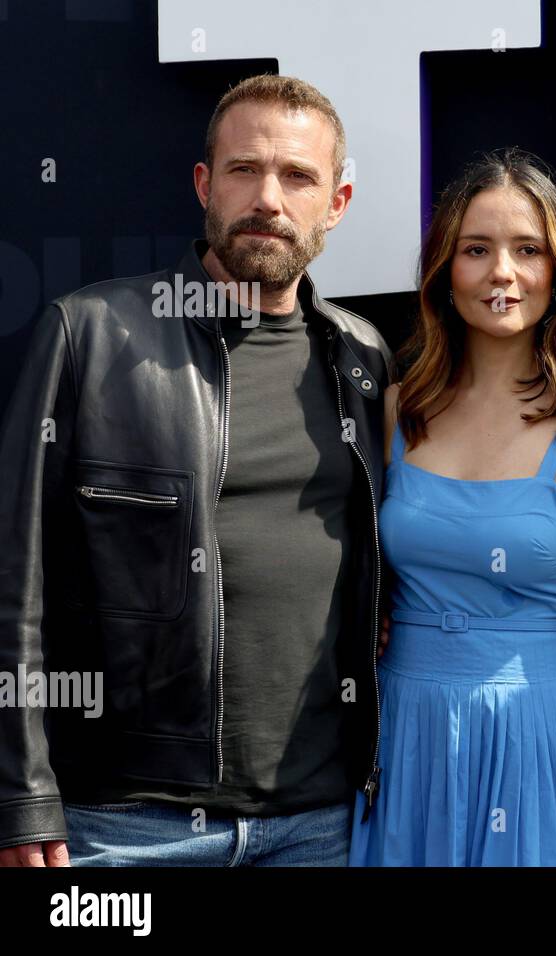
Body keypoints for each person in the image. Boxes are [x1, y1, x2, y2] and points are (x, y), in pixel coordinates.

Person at [0, 74, 392, 866]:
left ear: (338, 203)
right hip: (122, 825)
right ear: (204, 185)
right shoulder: (89, 336)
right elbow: (15, 582)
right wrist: (22, 796)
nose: (269, 200)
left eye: (299, 176)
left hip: (320, 825)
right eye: (245, 170)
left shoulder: (364, 360)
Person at [347, 149, 556, 867]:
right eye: (476, 250)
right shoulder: (393, 412)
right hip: (407, 742)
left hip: (543, 745)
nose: (502, 274)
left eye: (528, 251)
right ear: (443, 272)